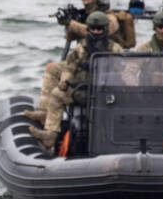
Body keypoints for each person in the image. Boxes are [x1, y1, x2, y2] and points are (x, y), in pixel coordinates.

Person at [26, 0, 135, 124]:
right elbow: (69, 38)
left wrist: (71, 23)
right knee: (52, 68)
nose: (86, 3)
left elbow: (95, 31)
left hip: (107, 63)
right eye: (84, 0)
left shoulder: (109, 17)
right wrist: (69, 22)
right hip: (83, 59)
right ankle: (44, 112)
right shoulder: (84, 17)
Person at [29, 10, 123, 151]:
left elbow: (125, 70)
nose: (96, 32)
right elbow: (70, 66)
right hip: (84, 92)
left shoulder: (115, 49)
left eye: (99, 29)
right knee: (56, 94)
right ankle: (51, 133)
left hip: (108, 94)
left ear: (105, 30)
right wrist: (65, 81)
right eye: (93, 29)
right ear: (89, 30)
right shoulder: (81, 48)